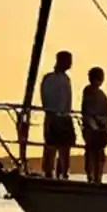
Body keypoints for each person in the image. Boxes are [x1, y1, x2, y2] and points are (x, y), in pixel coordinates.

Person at [39, 50, 74, 179]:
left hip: (65, 117)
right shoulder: (49, 79)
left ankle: (63, 173)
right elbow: (46, 98)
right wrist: (51, 112)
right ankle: (48, 172)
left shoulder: (66, 79)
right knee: (51, 146)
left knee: (65, 148)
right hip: (53, 116)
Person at [81, 66, 107, 184]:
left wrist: (106, 126)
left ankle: (98, 177)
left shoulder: (101, 95)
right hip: (92, 128)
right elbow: (87, 110)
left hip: (100, 128)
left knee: (99, 154)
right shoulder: (89, 91)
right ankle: (91, 177)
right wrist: (95, 124)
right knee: (92, 152)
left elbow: (106, 113)